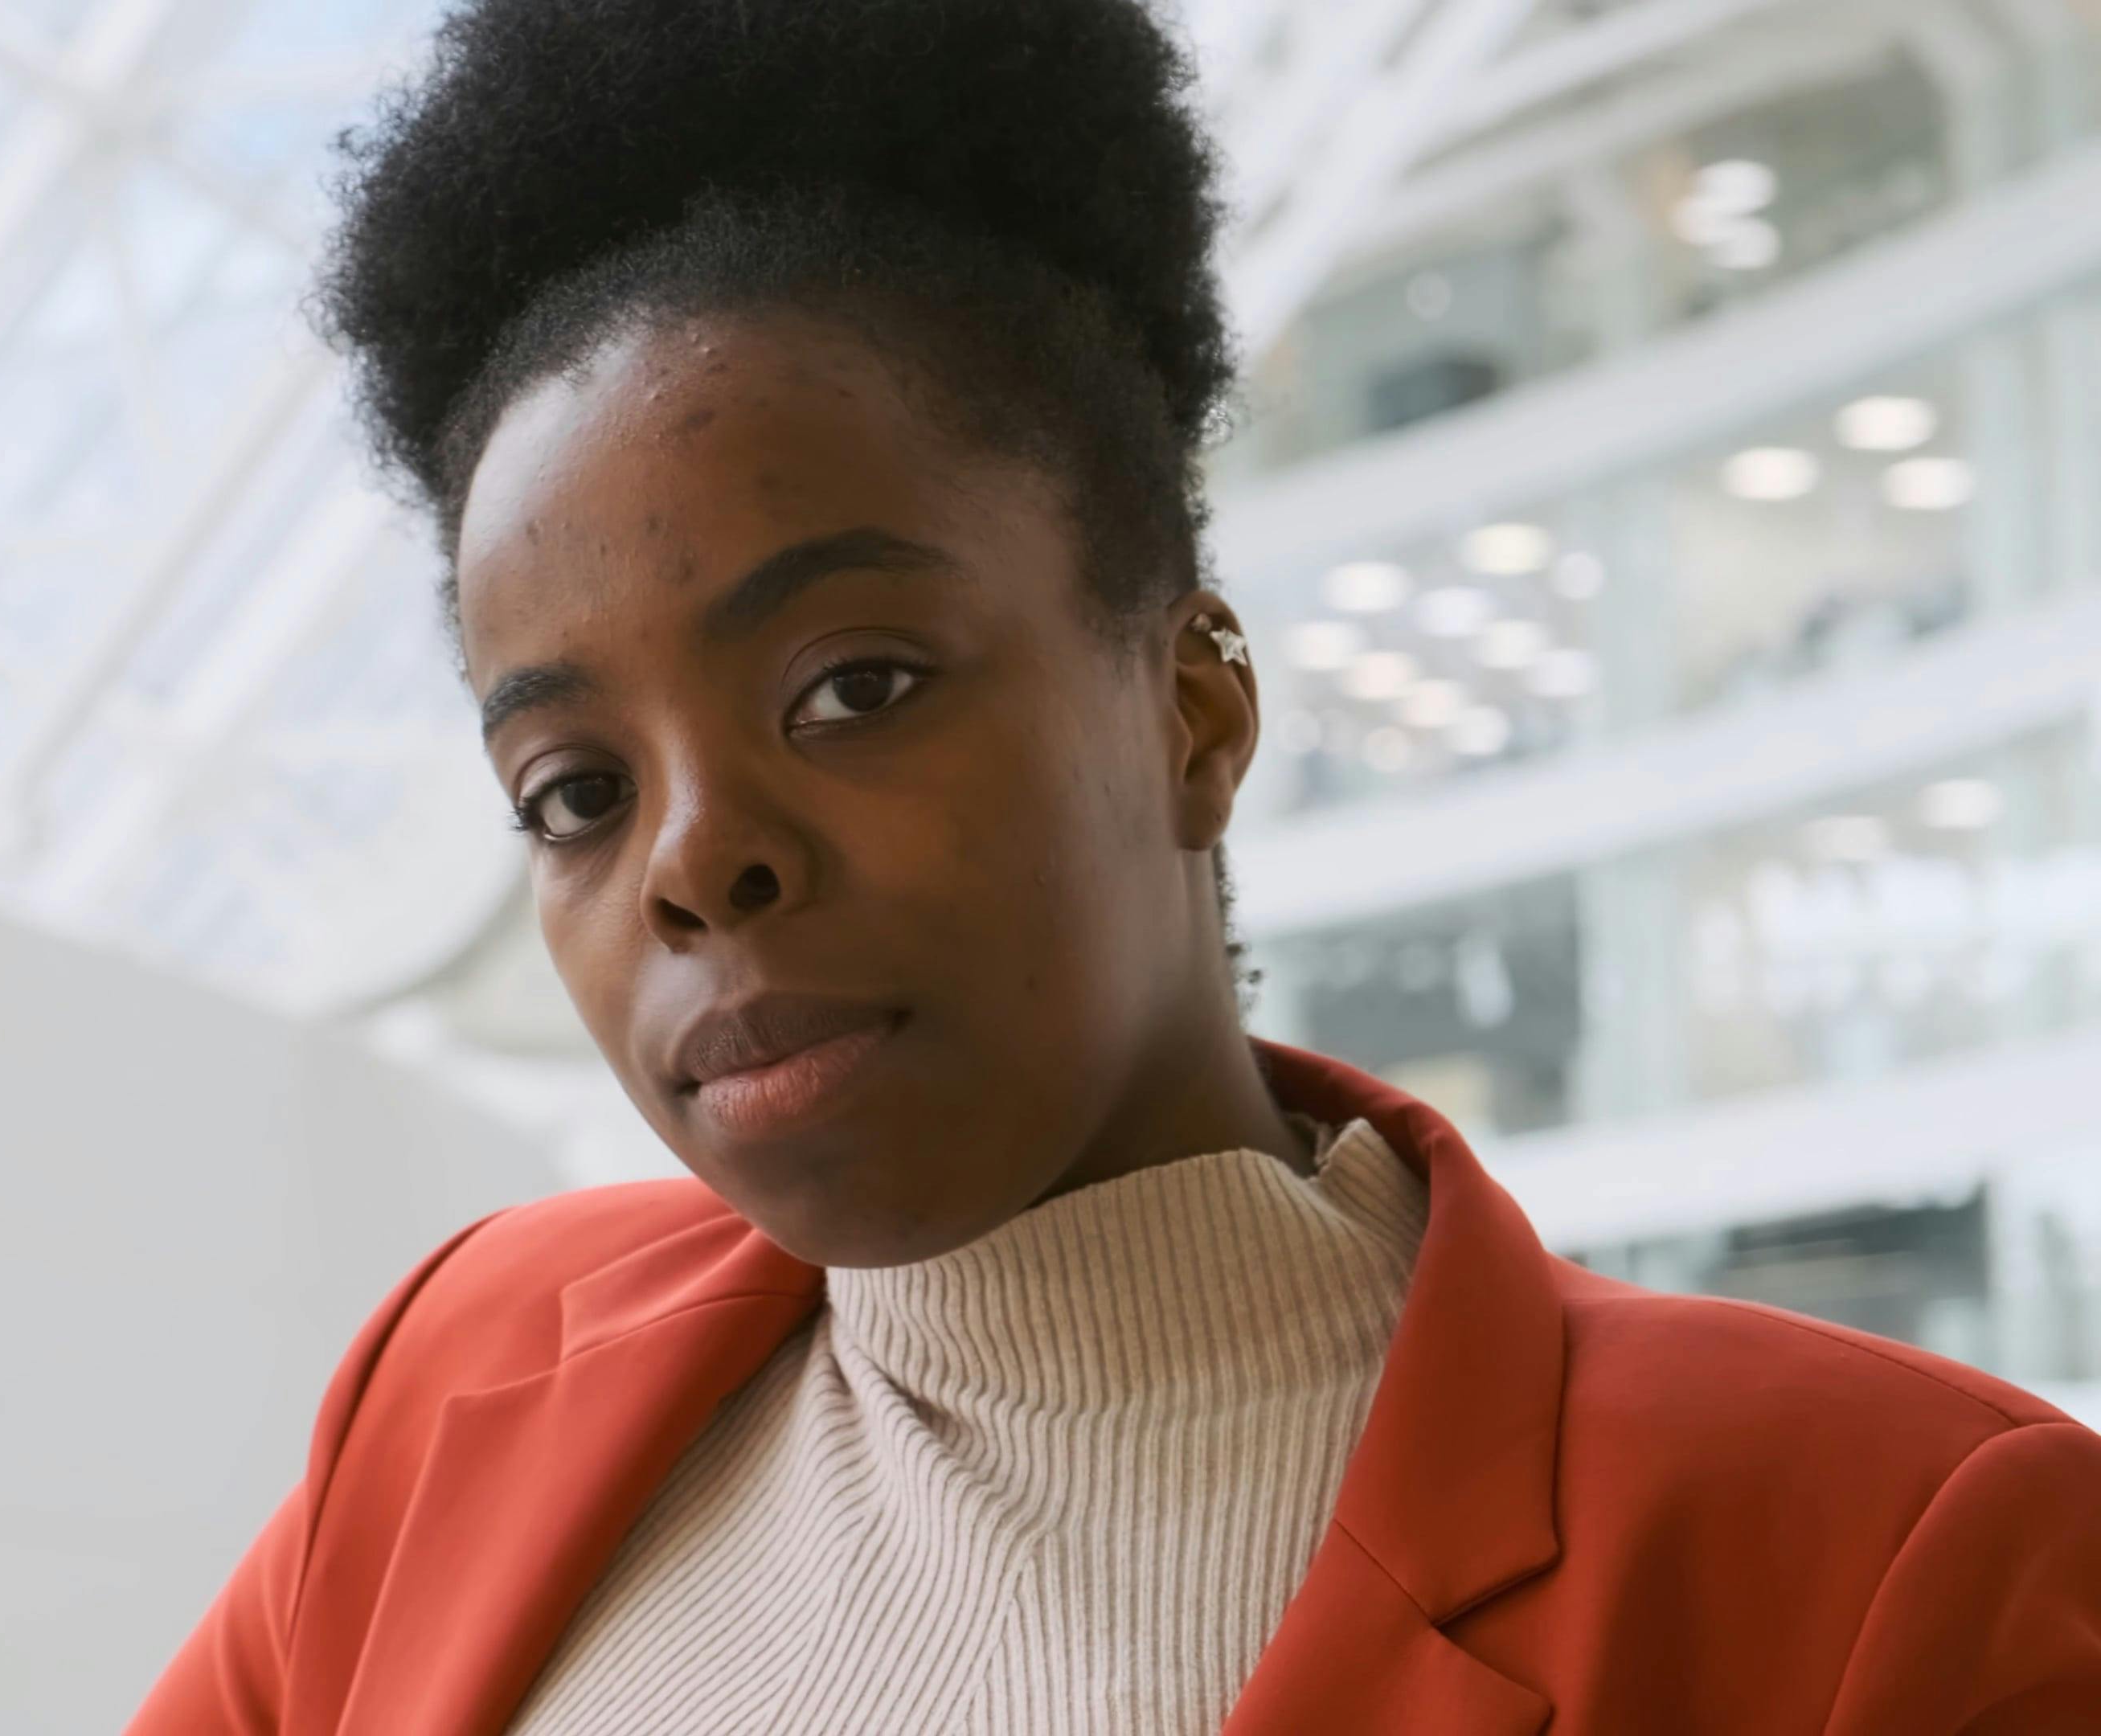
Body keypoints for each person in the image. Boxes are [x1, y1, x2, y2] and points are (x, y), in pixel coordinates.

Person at [127, 1, 2101, 1730]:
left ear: (1194, 705)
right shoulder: (455, 1382)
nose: (695, 864)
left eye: (853, 686)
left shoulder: (1888, 1559)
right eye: (574, 793)